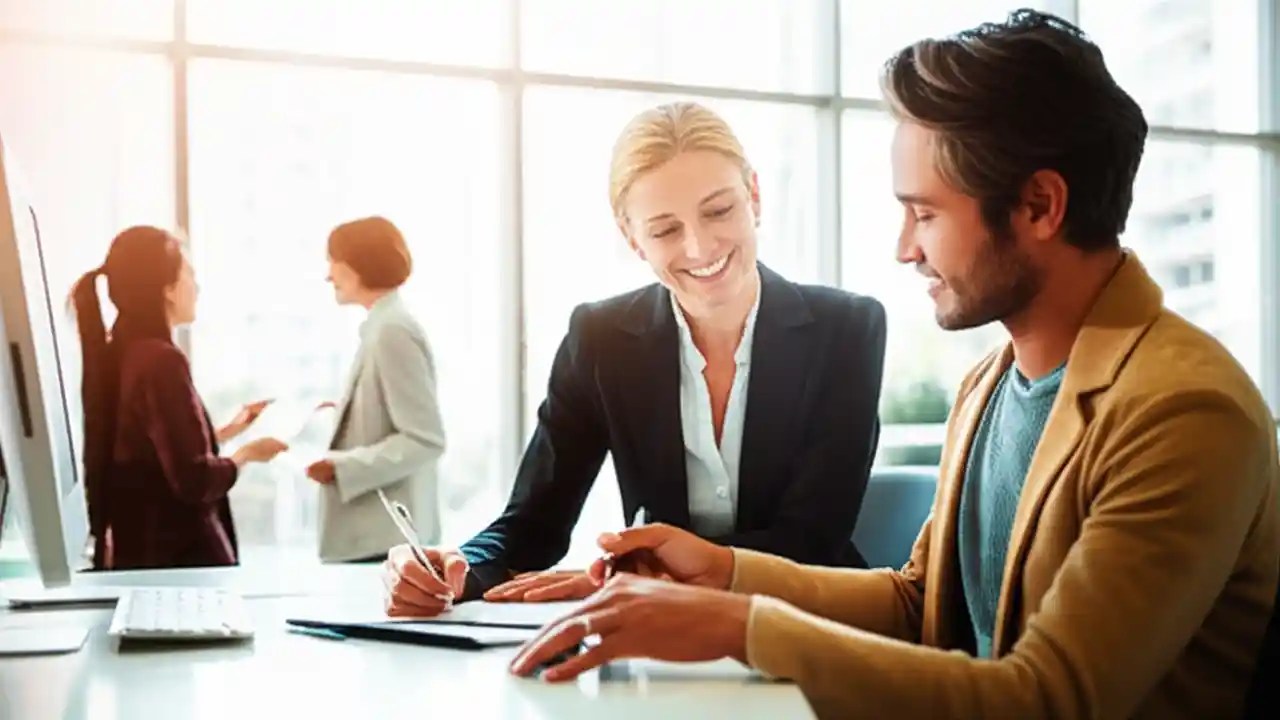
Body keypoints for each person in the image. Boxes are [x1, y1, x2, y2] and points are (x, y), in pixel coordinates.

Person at [505, 11, 1280, 719]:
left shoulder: (1182, 411)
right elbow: (921, 605)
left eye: (926, 213)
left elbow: (1049, 700)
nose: (905, 247)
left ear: (1040, 207)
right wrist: (726, 572)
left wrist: (739, 627)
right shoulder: (992, 384)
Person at [382, 101, 887, 612]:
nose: (699, 247)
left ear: (753, 196)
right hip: (664, 636)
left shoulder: (847, 329)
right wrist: (455, 569)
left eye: (718, 211)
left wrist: (637, 580)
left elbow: (812, 539)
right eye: (665, 230)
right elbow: (533, 525)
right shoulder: (601, 339)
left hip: (813, 622)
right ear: (633, 238)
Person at [70, 226, 288, 570]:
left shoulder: (123, 353)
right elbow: (193, 479)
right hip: (181, 560)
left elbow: (147, 455)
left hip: (144, 555)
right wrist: (246, 454)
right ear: (168, 289)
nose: (197, 288)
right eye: (190, 276)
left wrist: (228, 431)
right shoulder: (162, 361)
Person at [305, 216, 446, 563]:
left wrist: (341, 467)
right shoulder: (382, 326)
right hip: (379, 541)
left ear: (358, 265)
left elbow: (425, 439)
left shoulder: (392, 331)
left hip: (385, 541)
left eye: (332, 261)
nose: (328, 276)